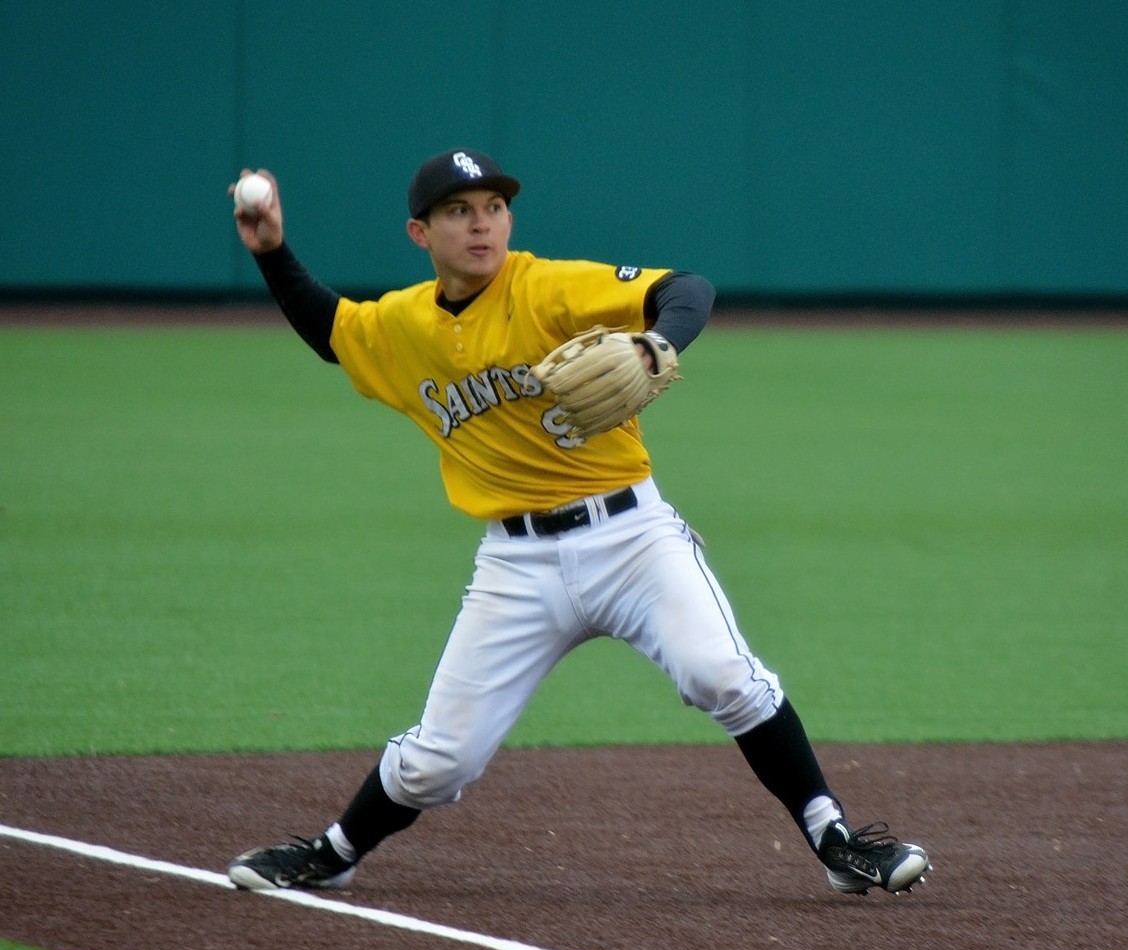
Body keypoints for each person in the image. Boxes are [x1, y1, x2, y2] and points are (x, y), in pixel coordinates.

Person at [224, 148, 930, 897]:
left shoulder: (547, 288)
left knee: (722, 674)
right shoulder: (403, 325)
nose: (481, 225)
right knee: (439, 761)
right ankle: (332, 853)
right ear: (419, 234)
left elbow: (686, 288)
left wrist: (657, 341)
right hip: (515, 564)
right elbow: (330, 329)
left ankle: (833, 840)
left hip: (631, 539)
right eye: (458, 212)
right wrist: (271, 251)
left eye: (494, 208)